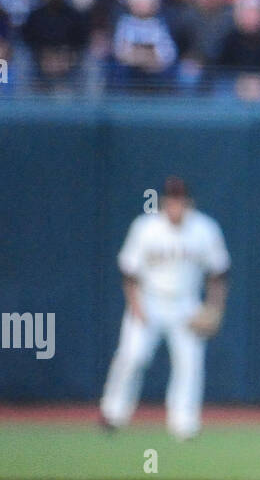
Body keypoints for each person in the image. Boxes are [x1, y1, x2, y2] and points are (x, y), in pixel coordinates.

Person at [99, 177, 231, 441]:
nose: (176, 205)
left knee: (190, 363)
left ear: (189, 203)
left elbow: (219, 273)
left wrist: (214, 309)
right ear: (162, 202)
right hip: (149, 299)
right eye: (171, 200)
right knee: (132, 356)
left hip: (186, 302)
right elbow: (129, 272)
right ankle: (113, 413)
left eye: (180, 200)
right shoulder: (146, 228)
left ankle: (184, 423)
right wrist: (136, 306)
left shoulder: (205, 229)